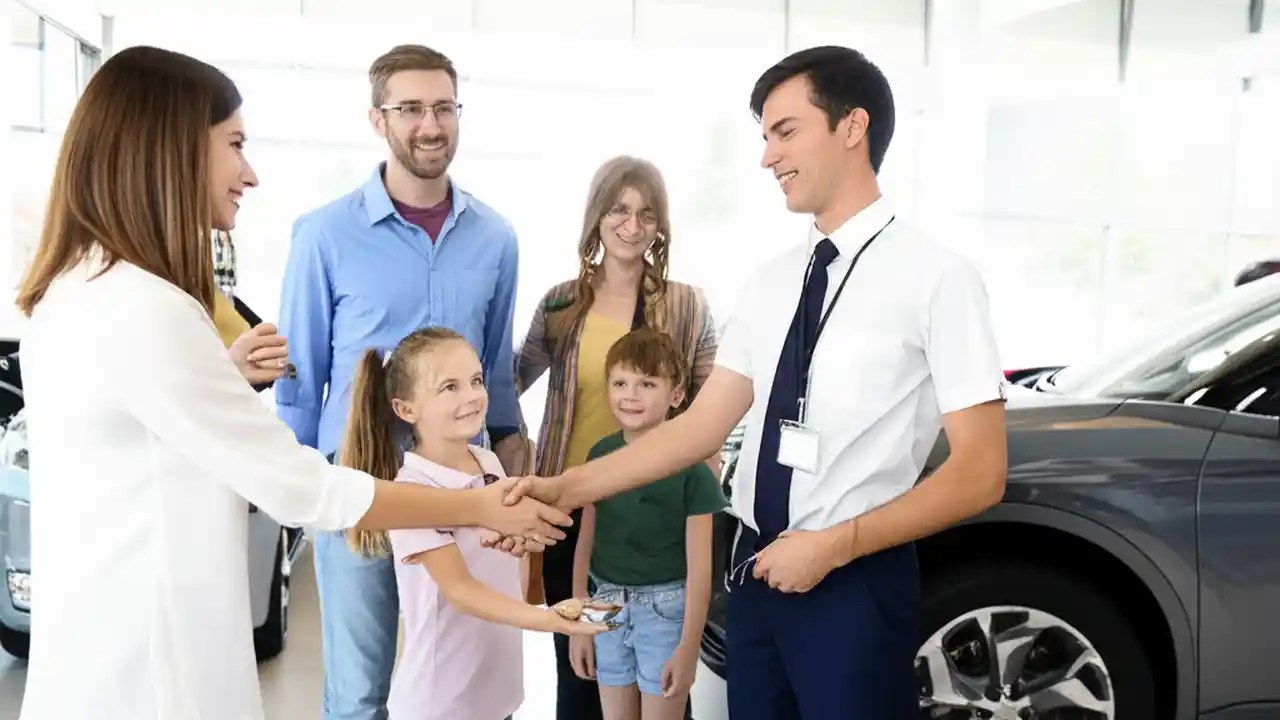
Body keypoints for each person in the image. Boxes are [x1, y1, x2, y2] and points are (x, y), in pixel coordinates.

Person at [12, 46, 568, 720]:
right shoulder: (152, 308)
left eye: (445, 106)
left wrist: (221, 376)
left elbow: (147, 437)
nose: (249, 172)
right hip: (154, 674)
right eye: (234, 144)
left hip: (103, 660)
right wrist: (475, 507)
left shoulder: (72, 293)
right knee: (360, 692)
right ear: (171, 148)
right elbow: (297, 480)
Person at [512, 46, 1009, 719]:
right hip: (754, 573)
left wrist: (835, 545)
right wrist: (564, 489)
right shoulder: (773, 280)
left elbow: (980, 474)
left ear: (852, 127)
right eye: (765, 137)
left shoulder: (938, 279)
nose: (767, 157)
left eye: (785, 131)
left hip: (852, 578)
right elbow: (697, 428)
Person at [275, 44, 530, 720]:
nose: (430, 124)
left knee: (463, 683)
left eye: (444, 107)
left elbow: (496, 376)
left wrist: (511, 464)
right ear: (377, 118)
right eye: (411, 108)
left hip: (461, 494)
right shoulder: (323, 235)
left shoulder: (495, 237)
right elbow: (300, 380)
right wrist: (295, 485)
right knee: (360, 695)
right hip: (359, 484)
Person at [515, 156, 717, 720]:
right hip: (569, 505)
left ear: (661, 227)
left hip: (653, 509)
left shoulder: (686, 305)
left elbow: (714, 406)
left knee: (661, 669)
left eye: (647, 214)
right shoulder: (561, 303)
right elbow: (511, 382)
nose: (632, 225)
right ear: (597, 217)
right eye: (620, 210)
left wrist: (705, 478)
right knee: (579, 667)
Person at [338, 326, 608, 720]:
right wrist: (548, 619)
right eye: (449, 387)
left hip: (495, 695)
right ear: (406, 409)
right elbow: (461, 590)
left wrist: (525, 544)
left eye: (476, 381)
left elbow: (508, 569)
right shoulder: (410, 493)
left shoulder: (489, 464)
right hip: (440, 704)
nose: (471, 396)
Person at [567, 329, 725, 720]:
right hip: (605, 607)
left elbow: (701, 571)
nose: (630, 395)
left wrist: (689, 650)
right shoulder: (600, 455)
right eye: (620, 382)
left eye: (646, 383)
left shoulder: (692, 466)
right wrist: (579, 626)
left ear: (676, 395)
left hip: (667, 612)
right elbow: (584, 546)